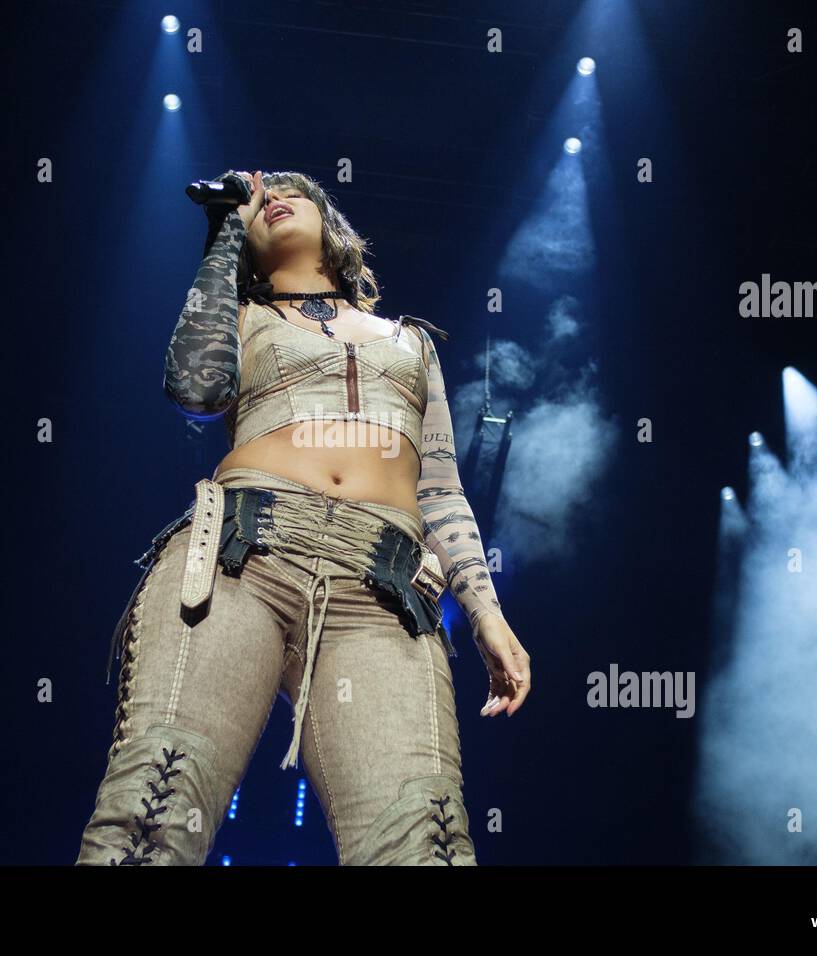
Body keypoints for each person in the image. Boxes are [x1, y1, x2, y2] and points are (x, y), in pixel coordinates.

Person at [76, 169, 531, 866]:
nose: (272, 196)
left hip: (384, 589)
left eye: (292, 189)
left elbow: (440, 488)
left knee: (423, 842)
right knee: (155, 808)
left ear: (331, 224)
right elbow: (195, 389)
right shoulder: (241, 317)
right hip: (242, 556)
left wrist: (488, 616)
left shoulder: (409, 342)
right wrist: (226, 232)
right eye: (259, 199)